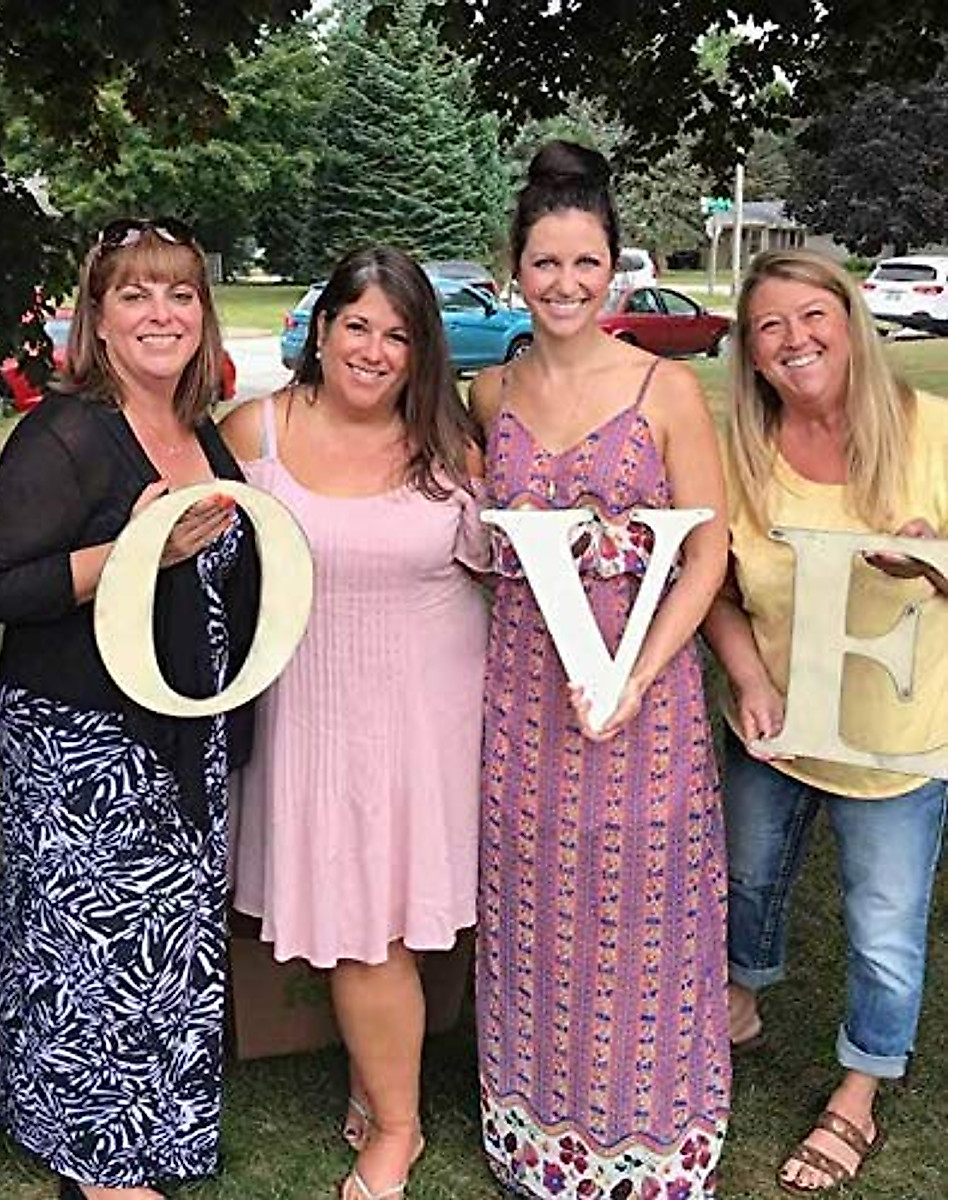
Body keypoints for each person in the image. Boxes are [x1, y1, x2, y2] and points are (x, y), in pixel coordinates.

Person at [0, 218, 260, 1200]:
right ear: (97, 316)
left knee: (164, 935)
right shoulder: (69, 433)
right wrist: (135, 553)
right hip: (80, 729)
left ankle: (144, 1117)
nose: (160, 313)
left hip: (183, 719)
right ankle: (100, 1159)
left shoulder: (200, 431)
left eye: (180, 293)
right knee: (98, 939)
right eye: (135, 294)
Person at [470, 140, 731, 1198]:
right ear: (516, 269)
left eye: (587, 263)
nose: (566, 283)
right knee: (534, 915)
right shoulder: (490, 394)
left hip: (646, 700)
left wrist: (636, 677)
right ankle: (537, 1137)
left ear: (614, 267)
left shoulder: (666, 390)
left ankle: (650, 1145)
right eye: (546, 262)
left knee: (646, 916)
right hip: (524, 694)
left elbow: (707, 555)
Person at [220, 245, 490, 1200]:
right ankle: (386, 1095)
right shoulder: (255, 431)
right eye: (358, 326)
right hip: (312, 716)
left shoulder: (449, 445)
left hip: (428, 719)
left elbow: (506, 567)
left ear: (423, 351)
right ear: (322, 329)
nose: (374, 351)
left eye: (399, 335)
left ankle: (396, 1125)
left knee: (382, 930)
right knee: (355, 925)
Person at [701, 248, 947, 1195]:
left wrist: (940, 562)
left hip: (895, 745)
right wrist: (747, 678)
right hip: (775, 729)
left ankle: (861, 1087)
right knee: (744, 879)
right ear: (752, 354)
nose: (794, 340)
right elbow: (716, 590)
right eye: (770, 327)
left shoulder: (935, 432)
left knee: (884, 927)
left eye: (813, 317)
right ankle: (740, 1002)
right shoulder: (741, 453)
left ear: (850, 322)